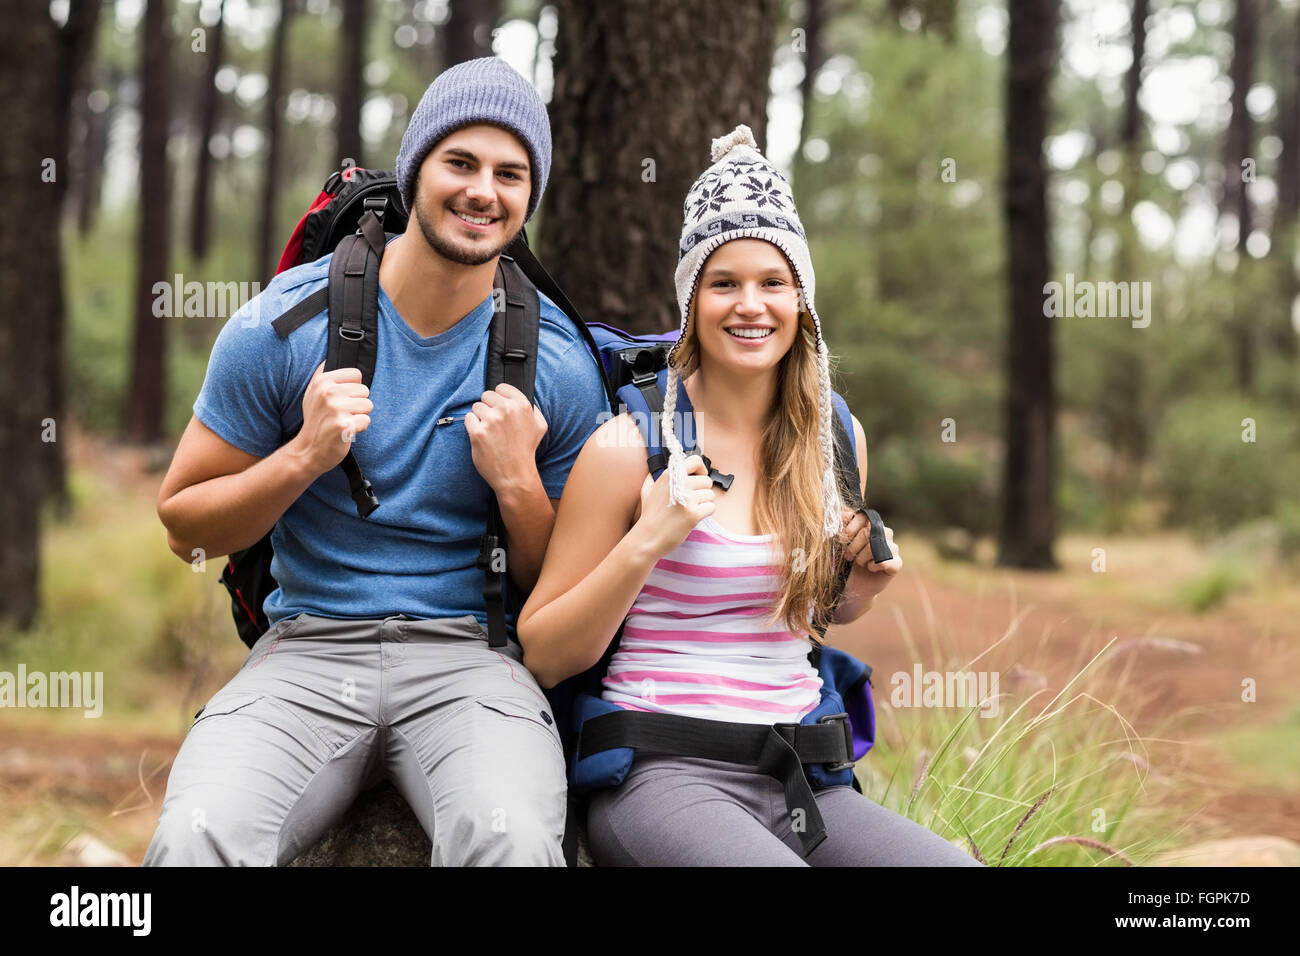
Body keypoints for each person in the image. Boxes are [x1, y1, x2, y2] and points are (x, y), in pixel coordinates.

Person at [146, 57, 609, 866]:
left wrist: (519, 484)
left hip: (474, 660)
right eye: (459, 163)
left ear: (528, 197)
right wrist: (300, 458)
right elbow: (185, 527)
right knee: (194, 837)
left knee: (509, 842)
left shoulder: (560, 367)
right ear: (416, 170)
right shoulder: (284, 327)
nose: (482, 191)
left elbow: (563, 600)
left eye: (510, 173)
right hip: (307, 649)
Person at [517, 125, 982, 867]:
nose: (750, 305)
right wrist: (646, 542)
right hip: (662, 773)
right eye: (723, 282)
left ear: (802, 299)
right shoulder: (627, 446)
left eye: (773, 282)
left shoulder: (834, 440)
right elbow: (542, 651)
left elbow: (801, 621)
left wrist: (855, 589)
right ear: (691, 298)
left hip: (803, 775)